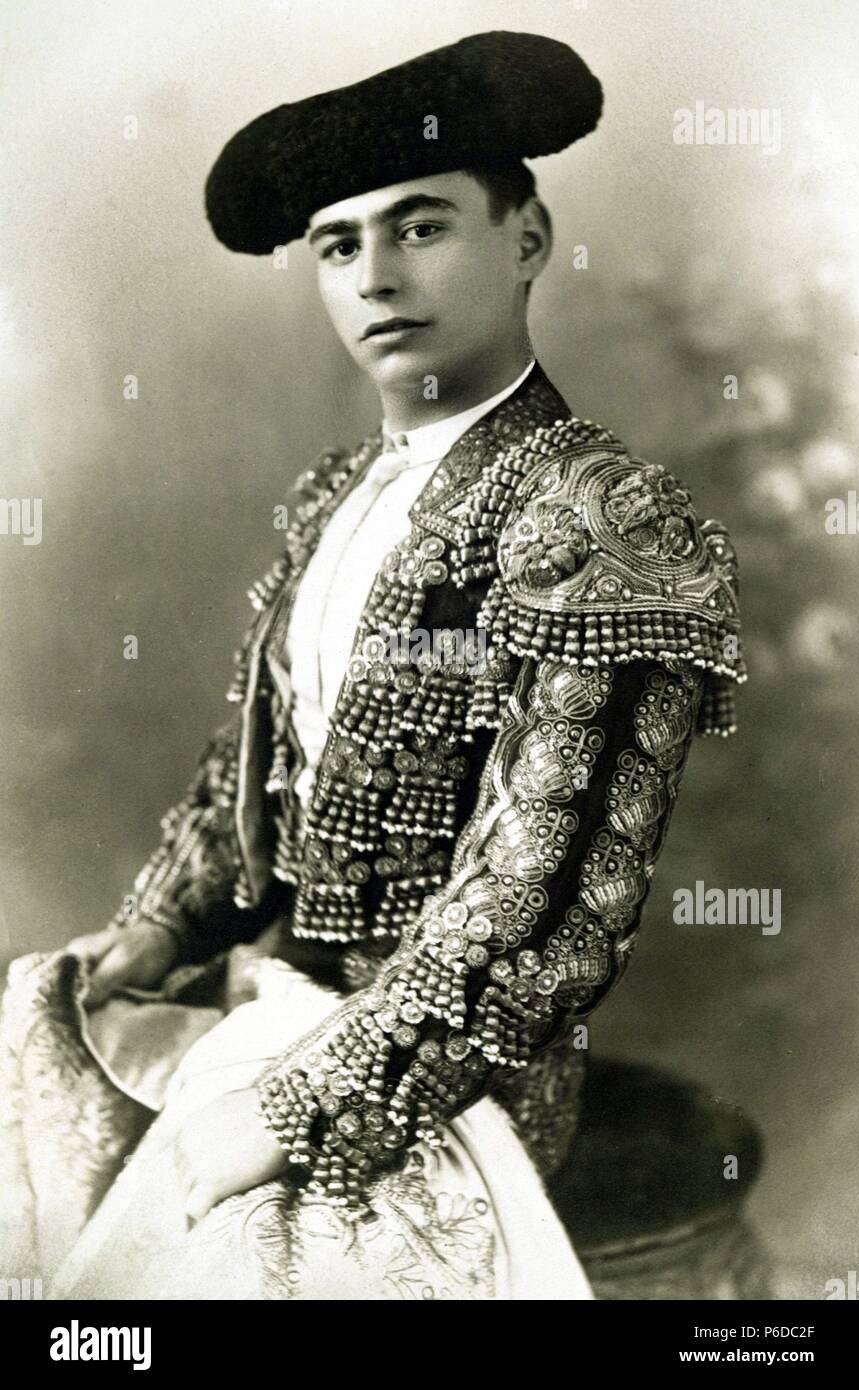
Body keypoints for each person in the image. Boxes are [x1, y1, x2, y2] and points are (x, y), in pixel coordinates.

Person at [0, 32, 745, 1300]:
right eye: (340, 245)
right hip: (269, 993)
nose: (378, 276)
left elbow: (545, 915)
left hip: (461, 1072)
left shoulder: (611, 520)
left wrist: (294, 1107)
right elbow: (250, 779)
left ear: (528, 236)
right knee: (31, 1037)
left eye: (421, 225)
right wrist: (162, 923)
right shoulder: (333, 498)